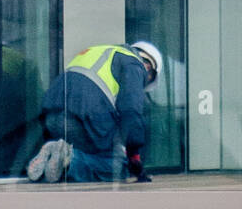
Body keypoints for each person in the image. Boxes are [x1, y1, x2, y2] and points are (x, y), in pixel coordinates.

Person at [27, 41, 163, 183]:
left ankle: (51, 160)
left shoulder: (97, 51)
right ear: (149, 68)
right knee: (118, 166)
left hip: (51, 117)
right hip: (83, 120)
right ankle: (70, 160)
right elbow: (131, 110)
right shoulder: (134, 64)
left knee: (83, 155)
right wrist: (133, 155)